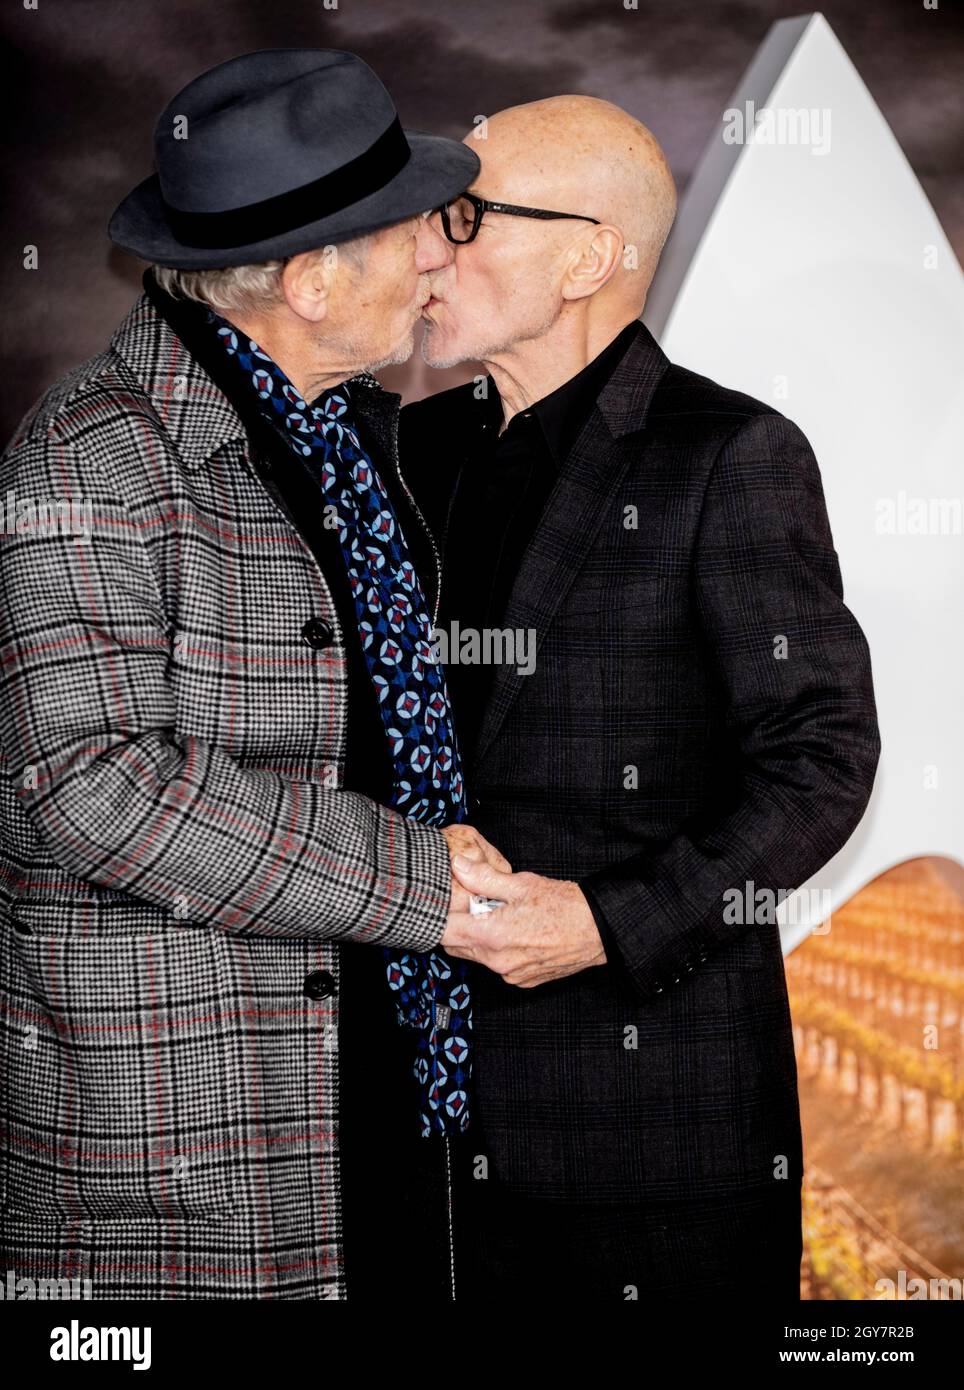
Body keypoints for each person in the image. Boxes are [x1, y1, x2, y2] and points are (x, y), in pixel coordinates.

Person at [0, 48, 506, 1300]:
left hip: (370, 1061)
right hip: (193, 1116)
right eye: (414, 232)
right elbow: (92, 786)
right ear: (310, 279)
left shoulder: (342, 430)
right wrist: (420, 883)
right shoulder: (93, 459)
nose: (443, 256)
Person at [401, 94, 883, 1299]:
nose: (427, 246)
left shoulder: (730, 454)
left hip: (645, 1139)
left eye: (465, 214)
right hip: (406, 1131)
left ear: (587, 255)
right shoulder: (401, 450)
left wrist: (606, 924)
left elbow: (821, 759)